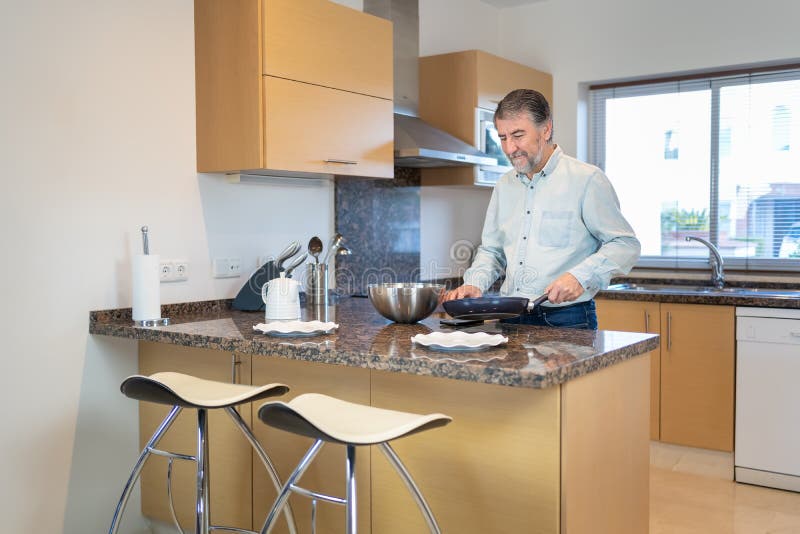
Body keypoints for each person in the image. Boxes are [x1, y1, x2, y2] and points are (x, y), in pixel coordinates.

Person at [441, 89, 640, 329]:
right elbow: (493, 251)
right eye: (503, 137)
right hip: (510, 316)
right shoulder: (505, 185)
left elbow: (625, 245)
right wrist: (474, 283)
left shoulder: (587, 180)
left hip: (567, 319)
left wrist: (580, 276)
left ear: (545, 129)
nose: (509, 148)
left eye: (518, 135)